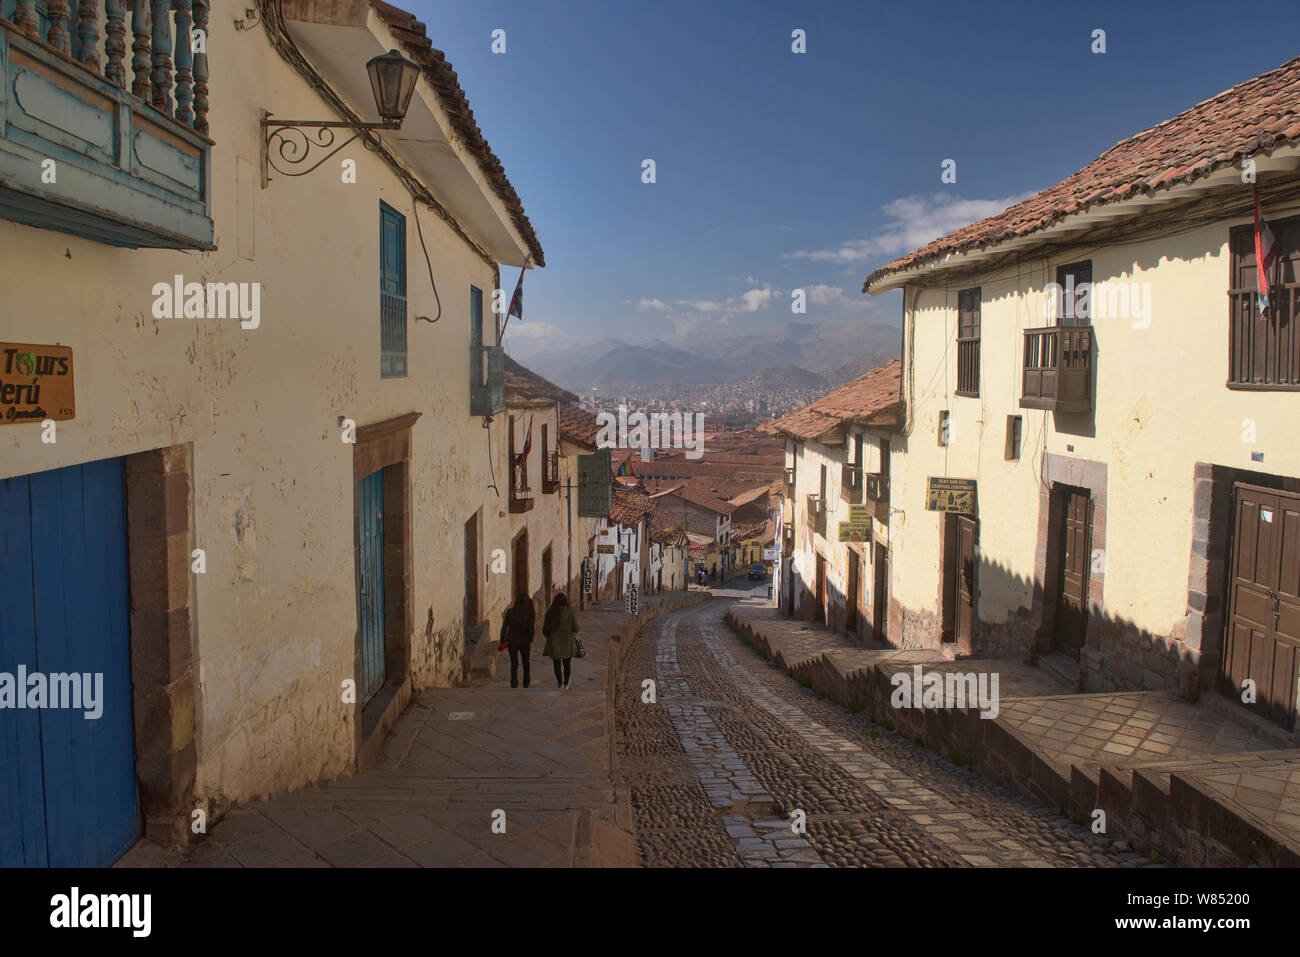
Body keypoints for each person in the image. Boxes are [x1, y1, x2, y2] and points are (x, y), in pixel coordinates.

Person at [542, 592, 579, 690]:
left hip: (555, 642)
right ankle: (566, 683)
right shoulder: (570, 612)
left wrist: (550, 637)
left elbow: (544, 630)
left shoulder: (550, 612)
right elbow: (576, 628)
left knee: (556, 664)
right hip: (567, 642)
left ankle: (560, 683)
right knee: (567, 664)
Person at [501, 593, 535, 688]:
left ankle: (514, 681)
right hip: (525, 641)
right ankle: (526, 681)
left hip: (512, 640)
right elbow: (531, 628)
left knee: (514, 663)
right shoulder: (528, 614)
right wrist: (530, 637)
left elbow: (504, 628)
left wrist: (502, 640)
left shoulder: (510, 612)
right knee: (525, 662)